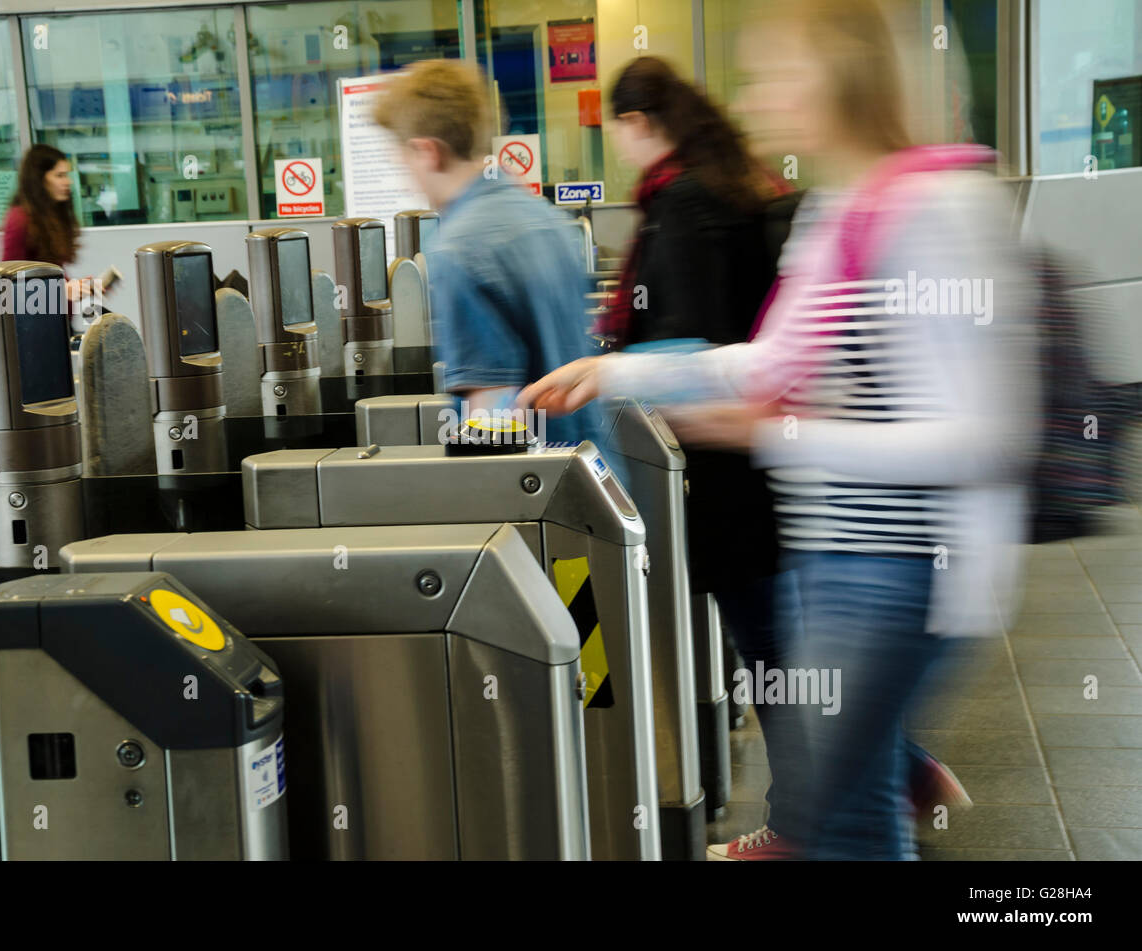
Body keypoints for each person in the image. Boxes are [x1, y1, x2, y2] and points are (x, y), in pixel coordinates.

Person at [519, 0, 1036, 860]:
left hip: (903, 574)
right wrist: (614, 374)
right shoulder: (841, 211)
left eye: (776, 74)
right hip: (835, 561)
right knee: (854, 822)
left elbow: (981, 439)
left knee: (841, 823)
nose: (756, 99)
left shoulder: (934, 211)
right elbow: (768, 361)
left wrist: (783, 437)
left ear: (841, 77)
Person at [603, 55, 806, 860]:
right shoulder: (734, 181)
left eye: (614, 129)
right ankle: (897, 770)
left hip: (725, 472)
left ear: (636, 123)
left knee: (772, 653)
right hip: (766, 461)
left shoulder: (681, 201)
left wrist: (613, 367)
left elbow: (690, 344)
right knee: (785, 646)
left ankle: (799, 827)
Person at [370, 59, 608, 451]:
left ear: (427, 152)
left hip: (537, 497)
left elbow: (495, 429)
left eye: (402, 159)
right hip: (591, 468)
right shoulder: (546, 218)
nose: (404, 176)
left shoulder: (458, 248)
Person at [1, 144, 98, 315]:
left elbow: (50, 272)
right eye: (59, 175)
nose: (67, 182)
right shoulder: (20, 220)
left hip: (56, 319)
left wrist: (77, 288)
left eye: (66, 175)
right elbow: (10, 283)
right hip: (36, 326)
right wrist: (62, 291)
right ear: (39, 179)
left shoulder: (48, 217)